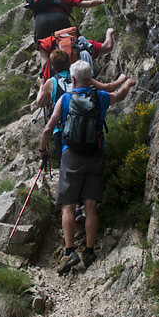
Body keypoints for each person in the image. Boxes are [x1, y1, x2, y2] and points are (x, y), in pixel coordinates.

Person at [38, 59, 136, 273]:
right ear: (90, 78)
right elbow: (118, 96)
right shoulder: (100, 97)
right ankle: (90, 251)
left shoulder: (64, 99)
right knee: (91, 206)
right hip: (95, 155)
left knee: (68, 206)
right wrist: (127, 84)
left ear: (73, 79)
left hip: (71, 155)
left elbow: (47, 130)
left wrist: (43, 151)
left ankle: (69, 251)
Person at [35, 49, 127, 163]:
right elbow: (108, 87)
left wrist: (41, 85)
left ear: (53, 67)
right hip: (88, 129)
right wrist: (122, 80)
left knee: (66, 168)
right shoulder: (81, 76)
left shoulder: (51, 82)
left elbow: (40, 102)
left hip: (62, 132)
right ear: (69, 62)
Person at [37, 25, 115, 68]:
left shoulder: (50, 43)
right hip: (83, 79)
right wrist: (109, 33)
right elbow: (107, 47)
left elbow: (45, 66)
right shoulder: (80, 42)